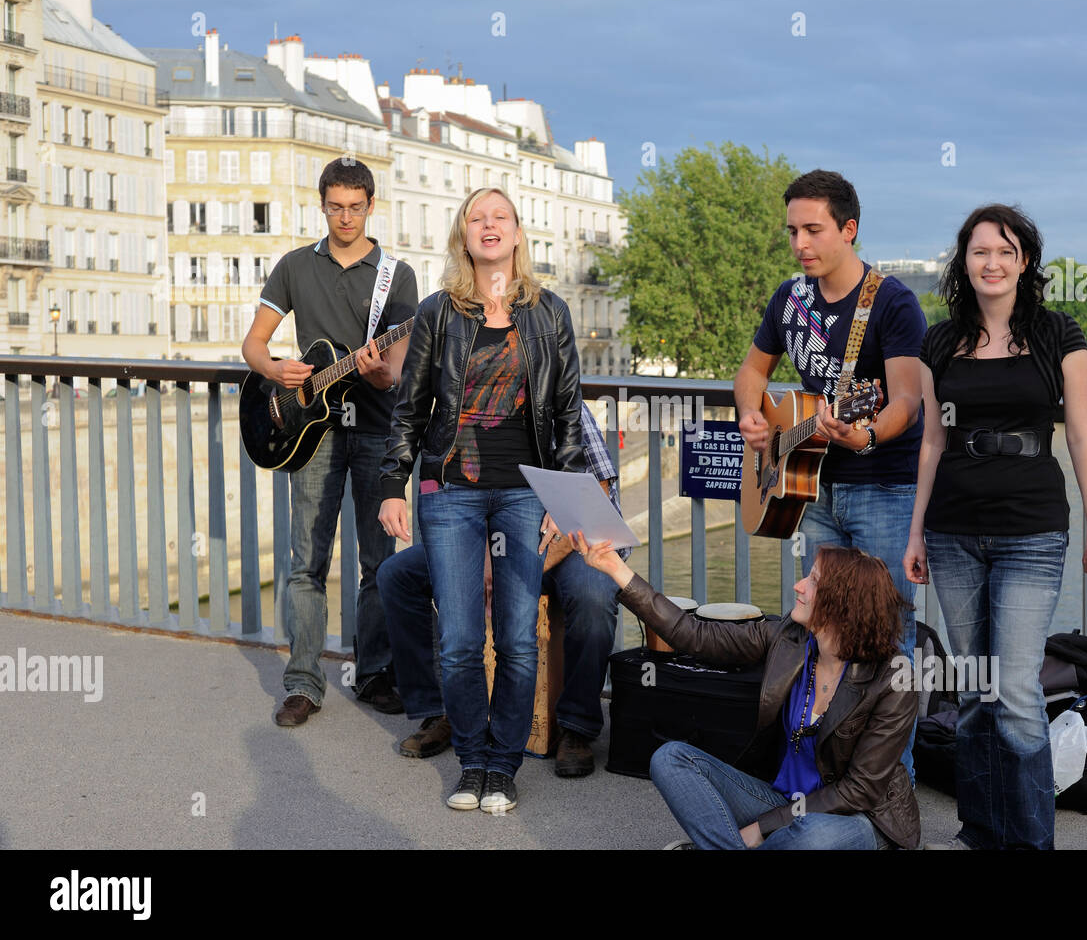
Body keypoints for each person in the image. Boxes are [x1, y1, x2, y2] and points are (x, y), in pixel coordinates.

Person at [902, 204, 1087, 850]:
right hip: (954, 530)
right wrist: (915, 533)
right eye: (979, 251)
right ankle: (981, 832)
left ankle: (1030, 841)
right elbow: (932, 443)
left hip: (1032, 530)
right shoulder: (939, 342)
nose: (991, 262)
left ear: (1024, 261)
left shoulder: (1058, 335)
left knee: (1016, 693)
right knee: (974, 692)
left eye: (1005, 250)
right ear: (963, 262)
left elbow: (1080, 436)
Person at [378, 186, 583, 814]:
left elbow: (569, 415)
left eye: (500, 218)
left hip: (526, 495)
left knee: (518, 641)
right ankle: (473, 762)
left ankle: (505, 762)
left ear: (518, 234)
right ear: (463, 235)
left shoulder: (549, 313)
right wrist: (393, 482)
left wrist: (565, 497)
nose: (489, 226)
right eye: (477, 218)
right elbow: (410, 406)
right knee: (463, 641)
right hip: (451, 493)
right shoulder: (439, 312)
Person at [733, 169, 926, 779]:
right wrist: (752, 419)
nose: (799, 243)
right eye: (792, 230)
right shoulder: (790, 298)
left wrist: (864, 432)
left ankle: (893, 776)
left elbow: (903, 400)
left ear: (849, 229)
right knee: (822, 624)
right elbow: (751, 374)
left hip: (884, 484)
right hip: (812, 484)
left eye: (812, 229)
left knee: (890, 625)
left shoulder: (893, 302)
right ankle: (819, 764)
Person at [573, 533, 919, 850]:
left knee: (814, 838)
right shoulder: (787, 636)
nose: (798, 586)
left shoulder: (893, 679)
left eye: (812, 581)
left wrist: (762, 828)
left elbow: (859, 791)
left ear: (842, 603)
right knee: (670, 758)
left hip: (856, 819)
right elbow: (693, 634)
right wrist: (616, 568)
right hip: (781, 799)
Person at [242, 158, 418, 727]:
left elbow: (393, 371)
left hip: (375, 428)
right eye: (336, 205)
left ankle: (374, 674)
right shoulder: (294, 265)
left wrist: (377, 374)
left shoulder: (398, 276)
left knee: (377, 562)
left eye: (356, 206)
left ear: (371, 206)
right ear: (322, 204)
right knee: (305, 562)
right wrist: (276, 371)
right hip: (311, 432)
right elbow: (253, 345)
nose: (346, 216)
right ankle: (302, 683)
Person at [379, 401, 625, 778]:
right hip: (499, 539)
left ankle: (576, 728)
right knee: (397, 575)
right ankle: (440, 710)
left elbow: (597, 489)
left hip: (574, 538)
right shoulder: (466, 401)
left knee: (594, 597)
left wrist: (511, 566)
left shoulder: (561, 399)